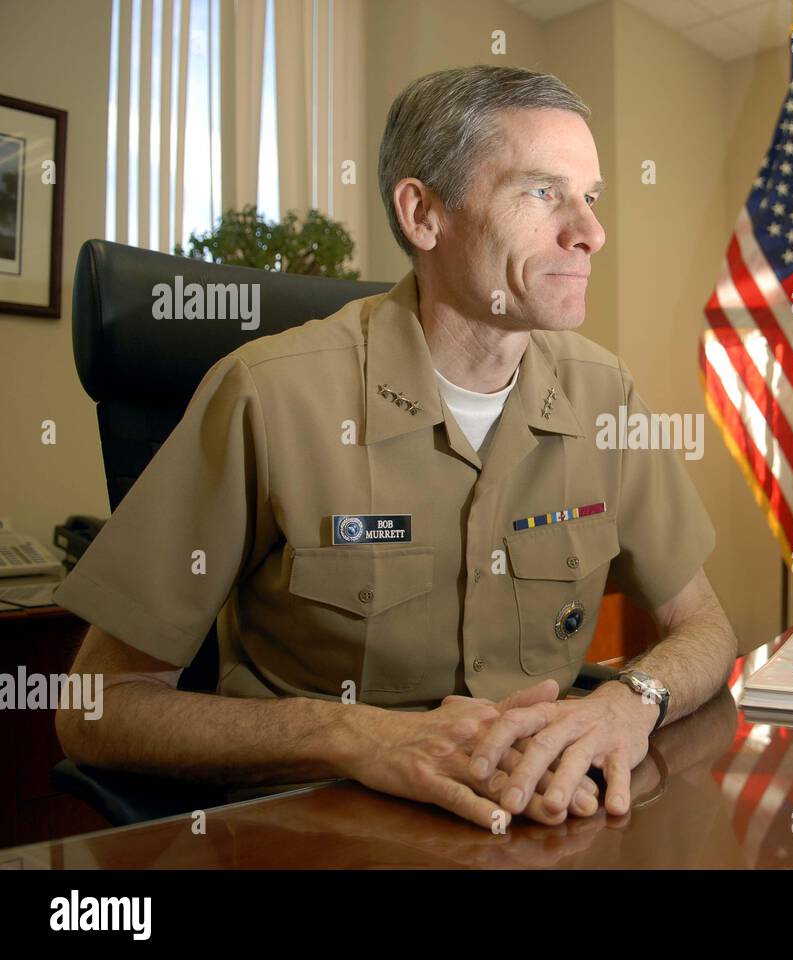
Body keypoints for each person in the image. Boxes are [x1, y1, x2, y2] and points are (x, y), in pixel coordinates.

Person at [54, 65, 738, 832]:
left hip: (542, 827)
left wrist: (627, 702)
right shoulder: (265, 395)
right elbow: (96, 710)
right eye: (543, 192)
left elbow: (707, 626)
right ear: (423, 215)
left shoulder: (604, 395)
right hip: (317, 832)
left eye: (592, 196)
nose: (590, 230)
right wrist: (354, 736)